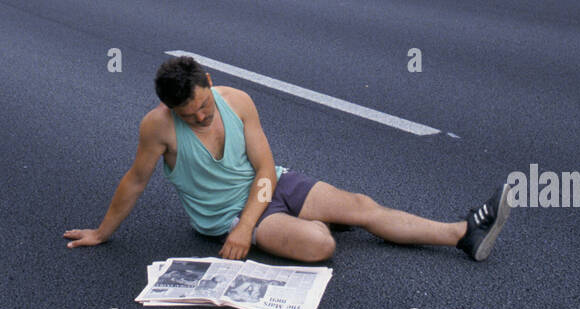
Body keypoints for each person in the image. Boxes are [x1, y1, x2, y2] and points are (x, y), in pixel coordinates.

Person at [64, 56, 515, 263]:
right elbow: (135, 182)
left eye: (204, 105)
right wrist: (103, 233)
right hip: (225, 215)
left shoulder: (236, 100)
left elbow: (264, 169)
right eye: (190, 114)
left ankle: (463, 233)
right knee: (321, 246)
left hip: (270, 187)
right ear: (169, 109)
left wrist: (249, 226)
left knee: (361, 206)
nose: (201, 115)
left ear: (210, 81)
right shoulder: (157, 127)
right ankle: (318, 223)